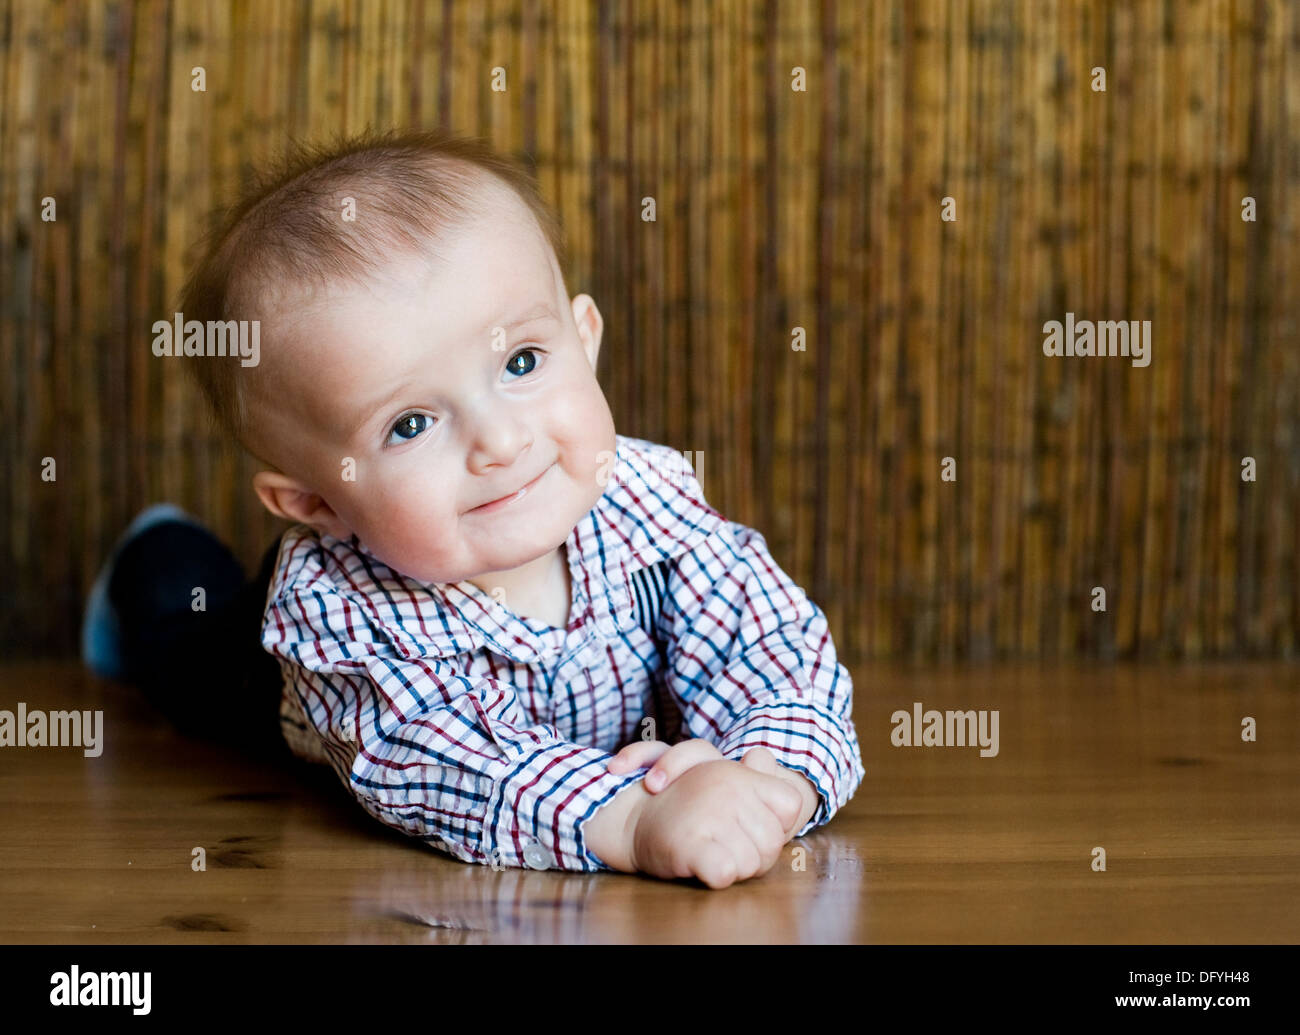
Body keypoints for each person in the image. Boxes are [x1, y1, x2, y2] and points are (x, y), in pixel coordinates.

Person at [84, 129, 864, 889]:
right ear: (317, 502)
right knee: (186, 646)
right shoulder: (339, 610)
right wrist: (629, 818)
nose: (498, 439)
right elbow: (440, 761)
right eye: (410, 424)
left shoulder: (649, 500)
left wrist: (767, 778)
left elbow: (768, 647)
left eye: (521, 361)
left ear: (584, 340)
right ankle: (152, 558)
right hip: (259, 675)